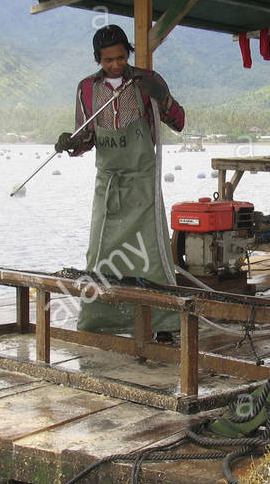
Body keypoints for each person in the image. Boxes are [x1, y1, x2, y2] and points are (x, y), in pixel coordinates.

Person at [56, 25, 185, 337]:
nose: (115, 64)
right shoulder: (87, 88)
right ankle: (100, 321)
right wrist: (71, 143)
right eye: (107, 60)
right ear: (97, 59)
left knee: (151, 254)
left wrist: (161, 96)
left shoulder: (146, 82)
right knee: (100, 255)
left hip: (143, 182)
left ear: (127, 52)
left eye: (120, 57)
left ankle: (164, 325)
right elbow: (86, 137)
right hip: (109, 183)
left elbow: (178, 121)